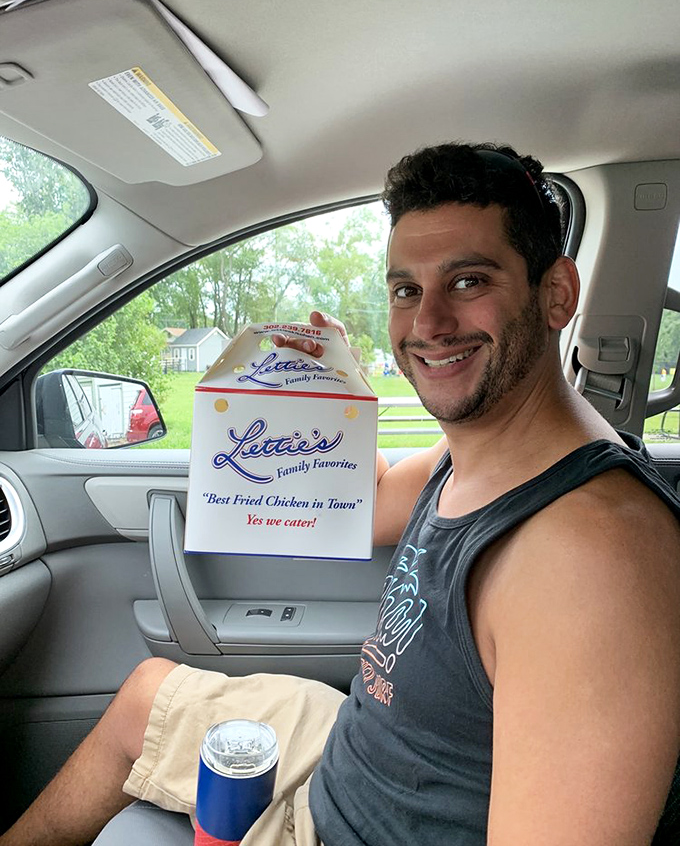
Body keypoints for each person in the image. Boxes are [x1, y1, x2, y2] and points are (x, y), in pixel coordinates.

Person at [3, 142, 680, 846]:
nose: (427, 324)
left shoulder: (594, 556)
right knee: (146, 695)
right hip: (350, 759)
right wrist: (333, 386)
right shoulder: (481, 448)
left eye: (469, 280)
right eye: (406, 290)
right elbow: (370, 502)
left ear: (555, 293)